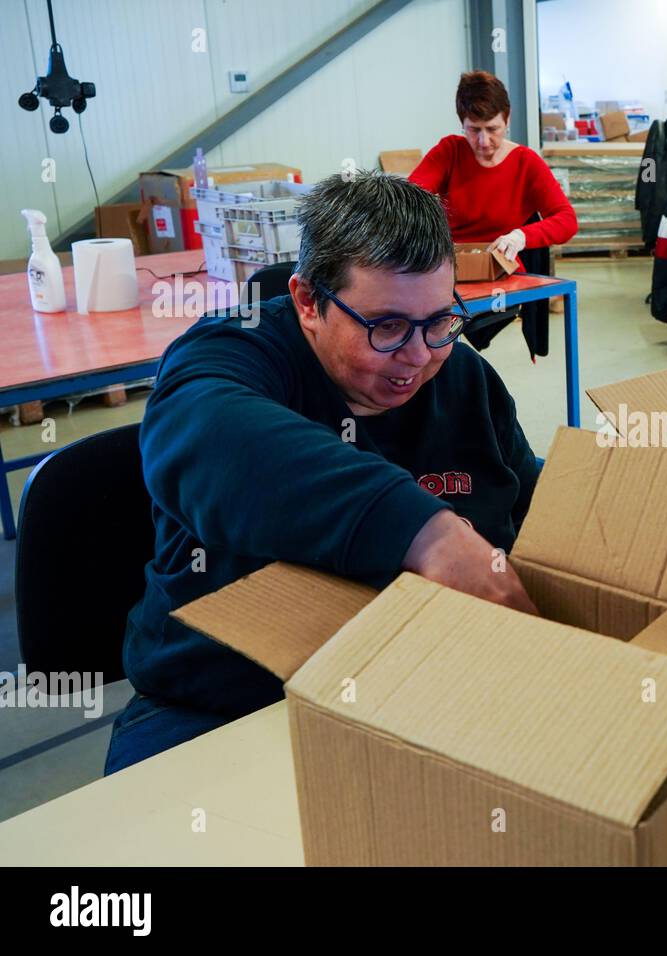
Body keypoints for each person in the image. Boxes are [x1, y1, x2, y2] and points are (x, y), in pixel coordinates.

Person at [105, 172, 539, 773]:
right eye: (386, 326)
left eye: (440, 319)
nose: (418, 355)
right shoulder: (234, 355)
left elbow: (524, 495)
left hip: (414, 684)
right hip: (222, 702)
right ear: (309, 302)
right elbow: (210, 435)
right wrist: (428, 534)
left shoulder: (459, 375)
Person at [409, 71, 577, 354]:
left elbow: (566, 220)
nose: (484, 141)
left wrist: (522, 236)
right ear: (462, 123)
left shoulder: (526, 164)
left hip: (500, 274)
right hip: (448, 270)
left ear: (507, 120)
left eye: (493, 129)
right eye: (474, 129)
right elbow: (409, 200)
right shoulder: (449, 151)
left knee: (442, 344)